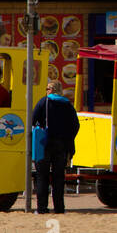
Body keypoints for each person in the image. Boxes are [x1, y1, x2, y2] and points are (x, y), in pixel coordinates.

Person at [31, 80, 81, 214]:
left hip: (44, 143)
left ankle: (41, 208)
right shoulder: (67, 105)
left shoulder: (44, 102)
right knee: (59, 177)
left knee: (42, 176)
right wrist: (68, 138)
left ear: (51, 90)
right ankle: (59, 208)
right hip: (62, 145)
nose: (46, 91)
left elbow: (33, 119)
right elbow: (75, 125)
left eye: (47, 88)